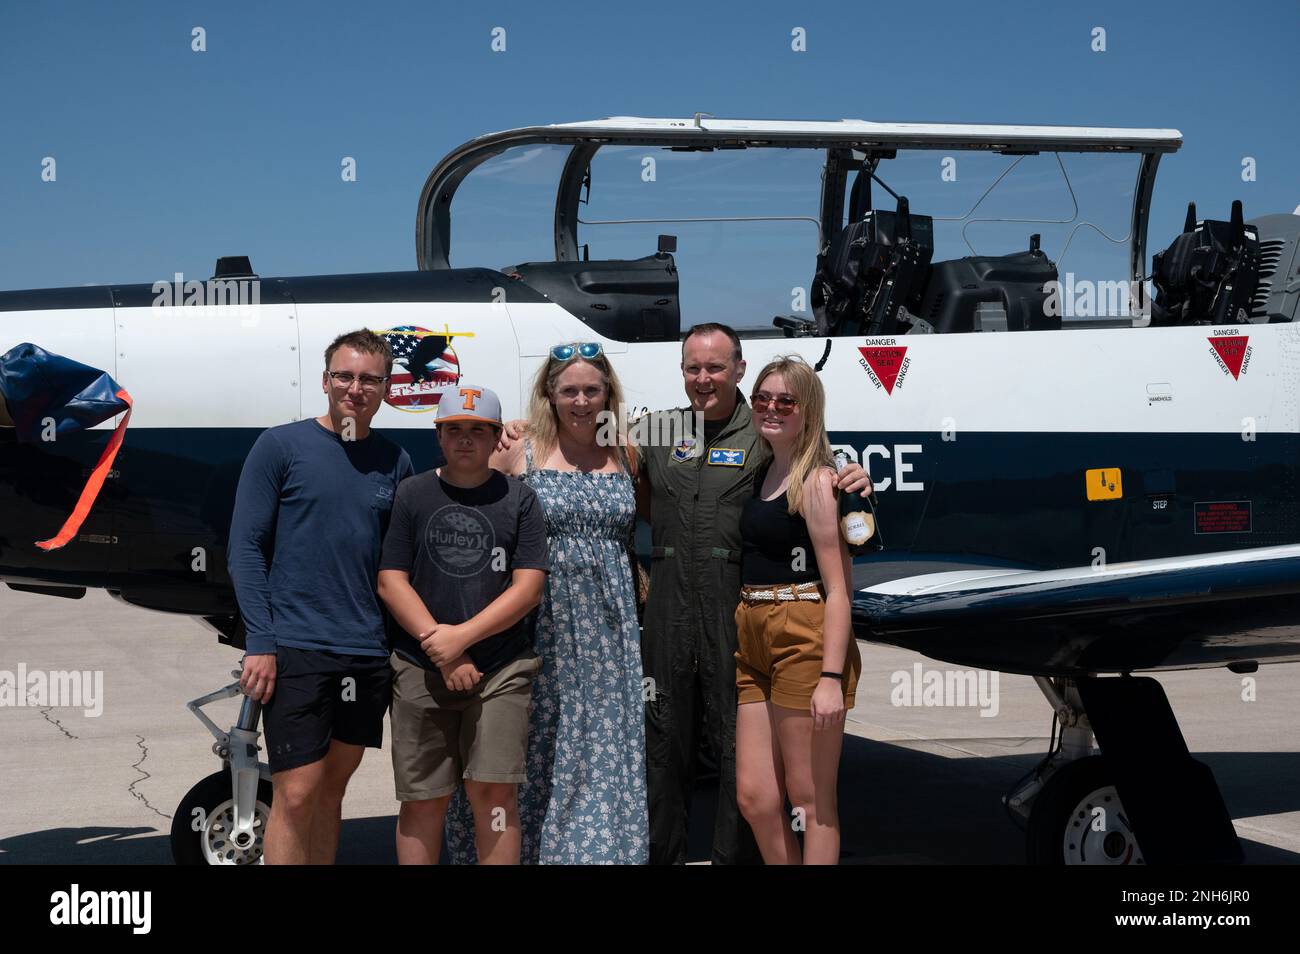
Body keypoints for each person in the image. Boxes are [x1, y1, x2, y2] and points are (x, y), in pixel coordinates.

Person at [634, 324, 871, 865]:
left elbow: (816, 467)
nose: (703, 378)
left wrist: (855, 478)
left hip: (746, 614)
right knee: (670, 744)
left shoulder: (761, 437)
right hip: (680, 607)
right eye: (693, 367)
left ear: (738, 368)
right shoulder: (657, 432)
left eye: (715, 367)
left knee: (760, 768)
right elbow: (619, 475)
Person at [449, 341, 648, 864]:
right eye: (569, 390)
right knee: (534, 745)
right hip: (537, 621)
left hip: (609, 632)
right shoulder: (520, 449)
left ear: (608, 392)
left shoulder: (627, 453)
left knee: (601, 754)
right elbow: (473, 523)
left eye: (592, 389)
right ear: (549, 394)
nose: (581, 401)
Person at [228, 330, 413, 865]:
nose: (355, 388)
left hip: (366, 653)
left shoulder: (394, 460)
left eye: (370, 379)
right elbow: (245, 549)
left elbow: (397, 561)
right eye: (345, 376)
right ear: (326, 380)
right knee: (298, 791)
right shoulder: (280, 446)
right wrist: (261, 641)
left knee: (333, 793)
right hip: (297, 649)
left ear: (387, 387)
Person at [377, 385, 548, 865]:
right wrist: (445, 650)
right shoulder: (413, 494)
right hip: (420, 669)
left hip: (500, 670)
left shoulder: (520, 499)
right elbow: (392, 581)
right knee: (423, 800)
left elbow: (528, 588)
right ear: (439, 435)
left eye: (478, 430)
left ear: (497, 437)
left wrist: (463, 641)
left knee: (493, 797)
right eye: (454, 429)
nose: (466, 440)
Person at [733, 355, 862, 864]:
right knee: (757, 799)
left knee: (811, 802)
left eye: (785, 400)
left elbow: (839, 590)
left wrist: (831, 677)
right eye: (762, 398)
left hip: (804, 634)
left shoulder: (819, 483)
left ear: (807, 409)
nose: (771, 408)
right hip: (753, 635)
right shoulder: (763, 471)